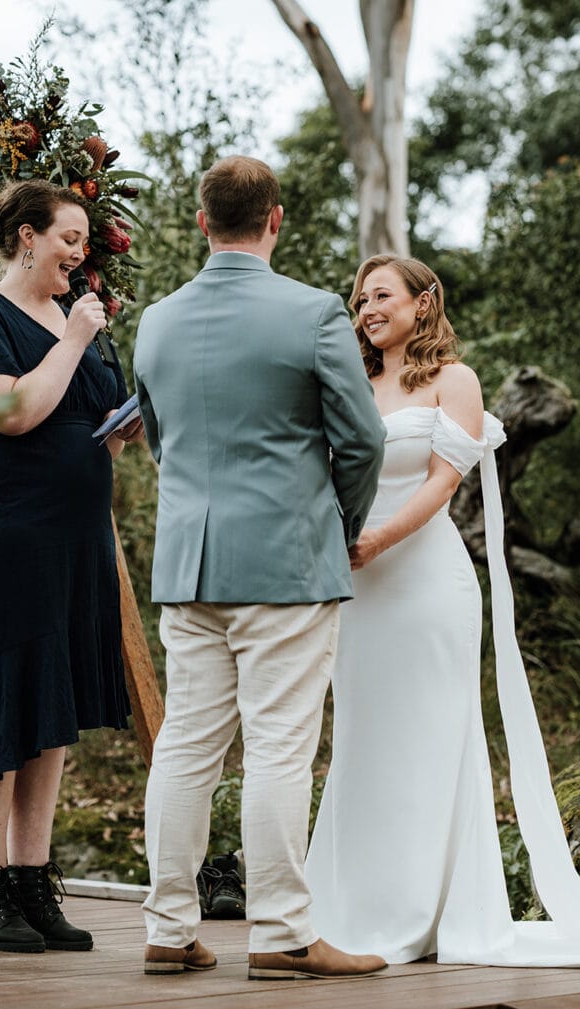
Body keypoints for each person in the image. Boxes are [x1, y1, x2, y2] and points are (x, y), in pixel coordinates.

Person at [305, 254, 580, 967]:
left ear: (424, 302)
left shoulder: (455, 380)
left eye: (381, 295)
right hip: (358, 590)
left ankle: (432, 909)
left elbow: (443, 482)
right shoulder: (350, 379)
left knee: (429, 738)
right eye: (360, 300)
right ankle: (352, 905)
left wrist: (378, 539)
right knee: (363, 737)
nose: (366, 309)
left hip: (423, 585)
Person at [133, 155, 387, 980]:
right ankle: (281, 934)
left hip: (189, 565)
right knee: (278, 749)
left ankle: (169, 929)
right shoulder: (313, 311)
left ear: (203, 221)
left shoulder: (157, 320)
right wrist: (337, 522)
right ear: (274, 220)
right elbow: (362, 441)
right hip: (286, 562)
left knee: (184, 747)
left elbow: (164, 442)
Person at [0, 179, 141, 954]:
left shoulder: (74, 316)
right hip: (7, 531)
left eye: (86, 241)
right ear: (25, 236)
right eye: (69, 239)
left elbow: (91, 430)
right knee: (0, 695)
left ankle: (31, 883)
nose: (81, 254)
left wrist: (123, 425)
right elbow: (12, 412)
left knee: (50, 703)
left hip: (78, 532)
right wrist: (77, 338)